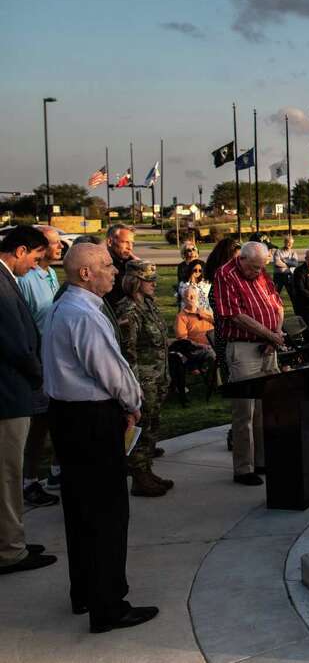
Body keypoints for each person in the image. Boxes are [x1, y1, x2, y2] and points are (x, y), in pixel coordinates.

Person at [43, 243, 159, 631]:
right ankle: (109, 605)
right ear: (86, 274)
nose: (115, 271)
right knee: (107, 514)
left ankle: (85, 592)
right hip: (92, 419)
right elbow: (110, 371)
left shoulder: (64, 307)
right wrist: (132, 402)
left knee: (80, 512)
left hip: (67, 417)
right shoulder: (85, 315)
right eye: (108, 266)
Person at [0, 226, 57, 576]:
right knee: (8, 475)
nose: (37, 266)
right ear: (21, 250)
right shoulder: (2, 283)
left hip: (12, 389)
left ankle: (11, 539)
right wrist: (40, 375)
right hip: (9, 394)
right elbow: (16, 343)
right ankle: (10, 550)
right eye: (36, 257)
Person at [210, 241, 285, 486]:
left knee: (266, 408)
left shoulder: (260, 270)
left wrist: (276, 332)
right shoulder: (225, 275)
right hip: (244, 349)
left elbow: (277, 303)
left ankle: (263, 460)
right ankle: (244, 468)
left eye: (260, 268)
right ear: (241, 259)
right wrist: (269, 334)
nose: (256, 273)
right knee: (245, 412)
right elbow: (234, 315)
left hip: (268, 346)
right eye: (253, 268)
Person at [114, 261, 173, 497]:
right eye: (150, 280)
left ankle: (147, 470)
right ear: (136, 282)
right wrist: (133, 387)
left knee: (152, 426)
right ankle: (138, 475)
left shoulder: (148, 305)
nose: (154, 284)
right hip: (143, 381)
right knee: (141, 426)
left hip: (158, 376)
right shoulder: (128, 310)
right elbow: (129, 352)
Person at [16, 226, 63, 509]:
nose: (60, 247)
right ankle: (29, 480)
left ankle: (57, 471)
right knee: (37, 424)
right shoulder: (25, 277)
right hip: (36, 361)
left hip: (56, 359)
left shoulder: (52, 273)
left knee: (57, 418)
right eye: (54, 243)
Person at [171, 284, 217, 401]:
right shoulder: (181, 317)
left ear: (198, 298)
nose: (191, 299)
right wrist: (200, 345)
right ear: (184, 299)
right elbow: (182, 340)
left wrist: (206, 316)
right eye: (188, 296)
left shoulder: (205, 312)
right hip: (194, 350)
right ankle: (214, 384)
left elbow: (219, 325)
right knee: (213, 355)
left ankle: (220, 381)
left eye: (193, 296)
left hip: (212, 345)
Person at [103, 223, 136, 310]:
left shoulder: (130, 263)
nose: (130, 248)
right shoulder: (101, 266)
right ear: (110, 242)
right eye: (125, 242)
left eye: (132, 243)